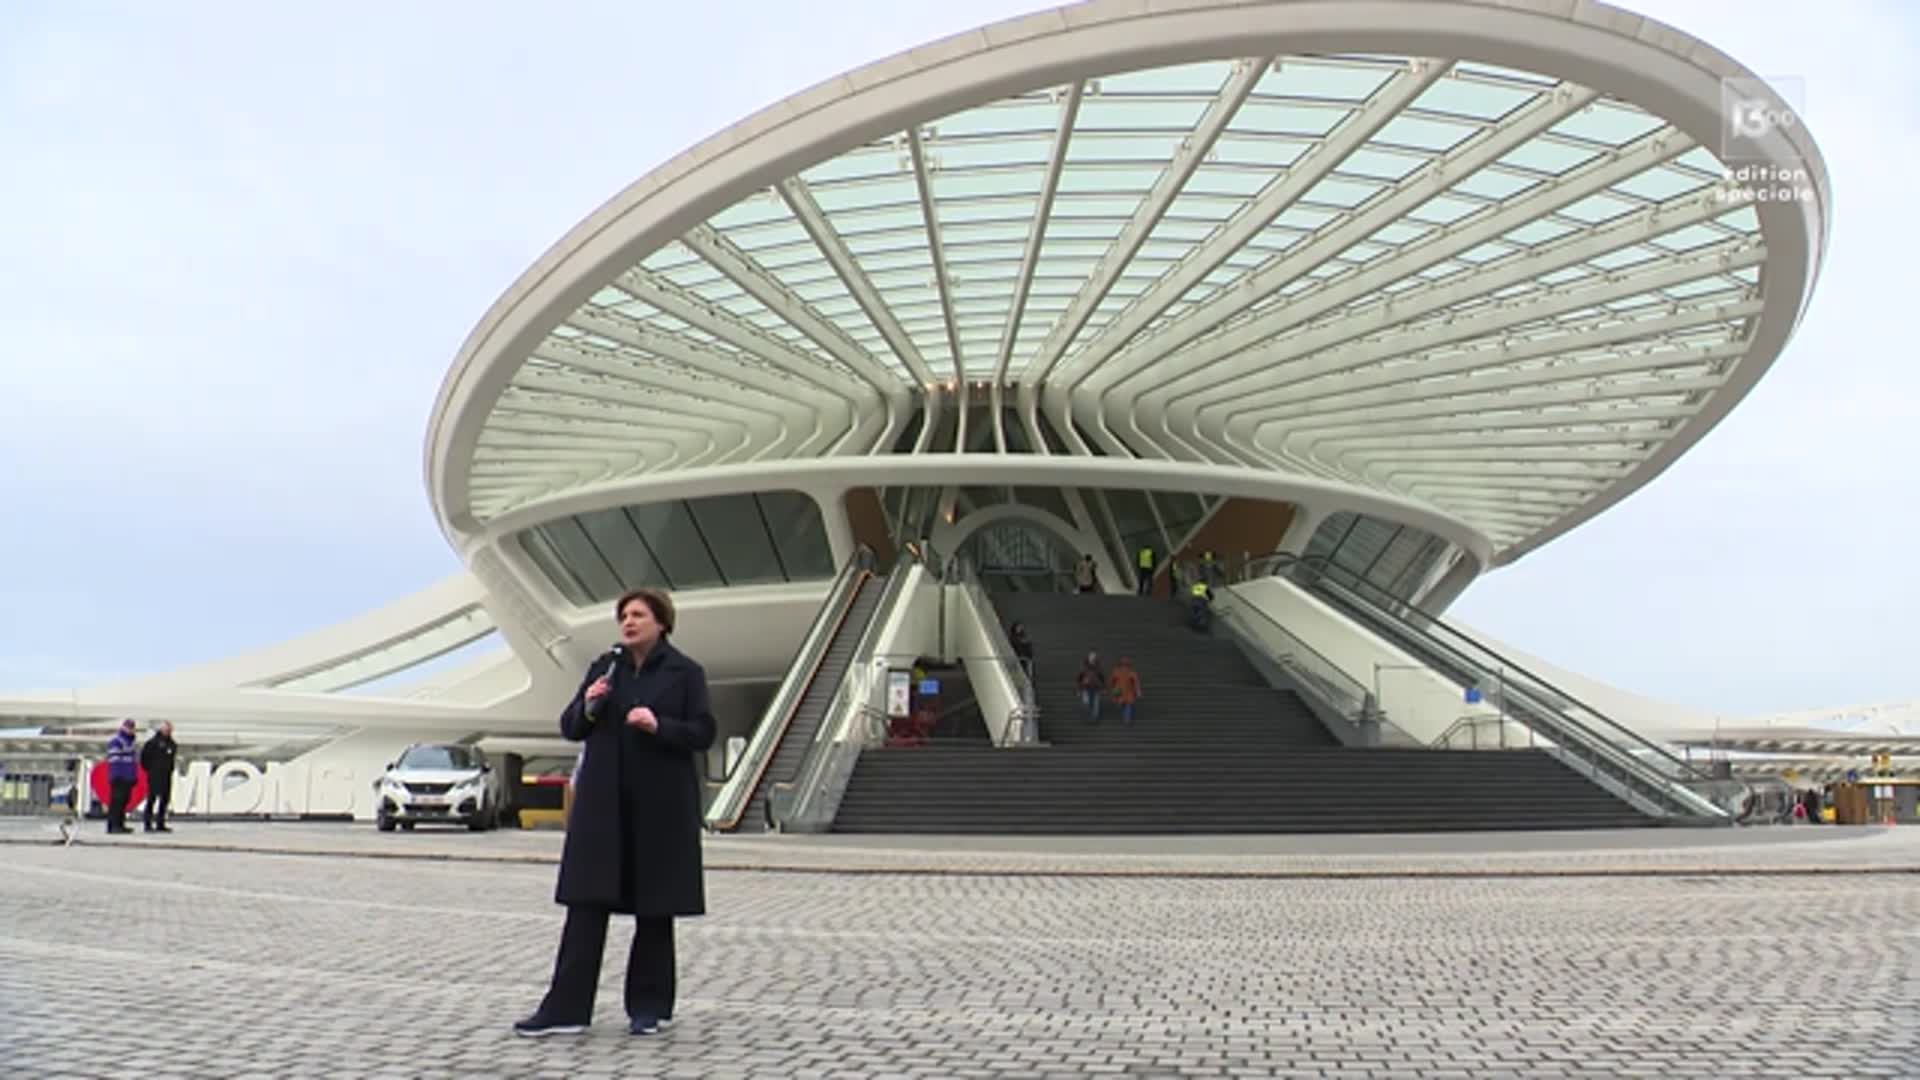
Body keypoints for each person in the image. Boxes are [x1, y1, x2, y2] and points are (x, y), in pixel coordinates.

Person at [516, 588, 716, 1038]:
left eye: (638, 615)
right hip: (602, 808)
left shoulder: (686, 673)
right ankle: (565, 1009)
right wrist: (590, 703)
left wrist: (659, 725)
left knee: (655, 908)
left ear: (661, 622)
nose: (628, 622)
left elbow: (703, 731)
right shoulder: (605, 668)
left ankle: (649, 1008)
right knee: (585, 905)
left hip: (660, 808)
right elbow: (571, 727)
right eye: (623, 615)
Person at [140, 721, 178, 833]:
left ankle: (160, 823)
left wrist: (170, 769)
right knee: (152, 798)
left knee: (164, 799)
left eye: (169, 730)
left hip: (166, 775)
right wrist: (151, 770)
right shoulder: (152, 743)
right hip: (154, 774)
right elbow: (144, 759)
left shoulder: (172, 744)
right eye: (166, 730)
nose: (168, 732)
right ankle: (147, 823)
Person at [103, 719, 138, 834]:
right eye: (128, 727)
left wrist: (133, 776)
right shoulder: (116, 741)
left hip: (128, 776)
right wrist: (118, 775)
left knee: (124, 801)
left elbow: (133, 761)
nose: (131, 730)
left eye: (132, 727)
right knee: (117, 801)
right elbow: (114, 759)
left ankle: (120, 824)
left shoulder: (131, 742)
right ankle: (113, 825)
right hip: (119, 776)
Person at [1109, 657, 1142, 726]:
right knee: (1128, 706)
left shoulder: (1117, 672)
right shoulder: (1131, 672)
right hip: (1128, 692)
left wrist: (1112, 688)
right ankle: (1127, 719)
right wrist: (1138, 691)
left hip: (1120, 692)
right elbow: (1136, 682)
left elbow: (1111, 681)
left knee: (1124, 705)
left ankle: (1126, 719)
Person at [1076, 652, 1105, 723]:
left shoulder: (1098, 668)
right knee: (1087, 703)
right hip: (1086, 687)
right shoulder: (1084, 668)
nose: (1092, 660)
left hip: (1095, 688)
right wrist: (1079, 689)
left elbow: (1102, 678)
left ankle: (1094, 718)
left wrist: (1103, 688)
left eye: (1094, 658)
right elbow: (1079, 678)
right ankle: (1088, 717)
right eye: (1091, 658)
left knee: (1095, 703)